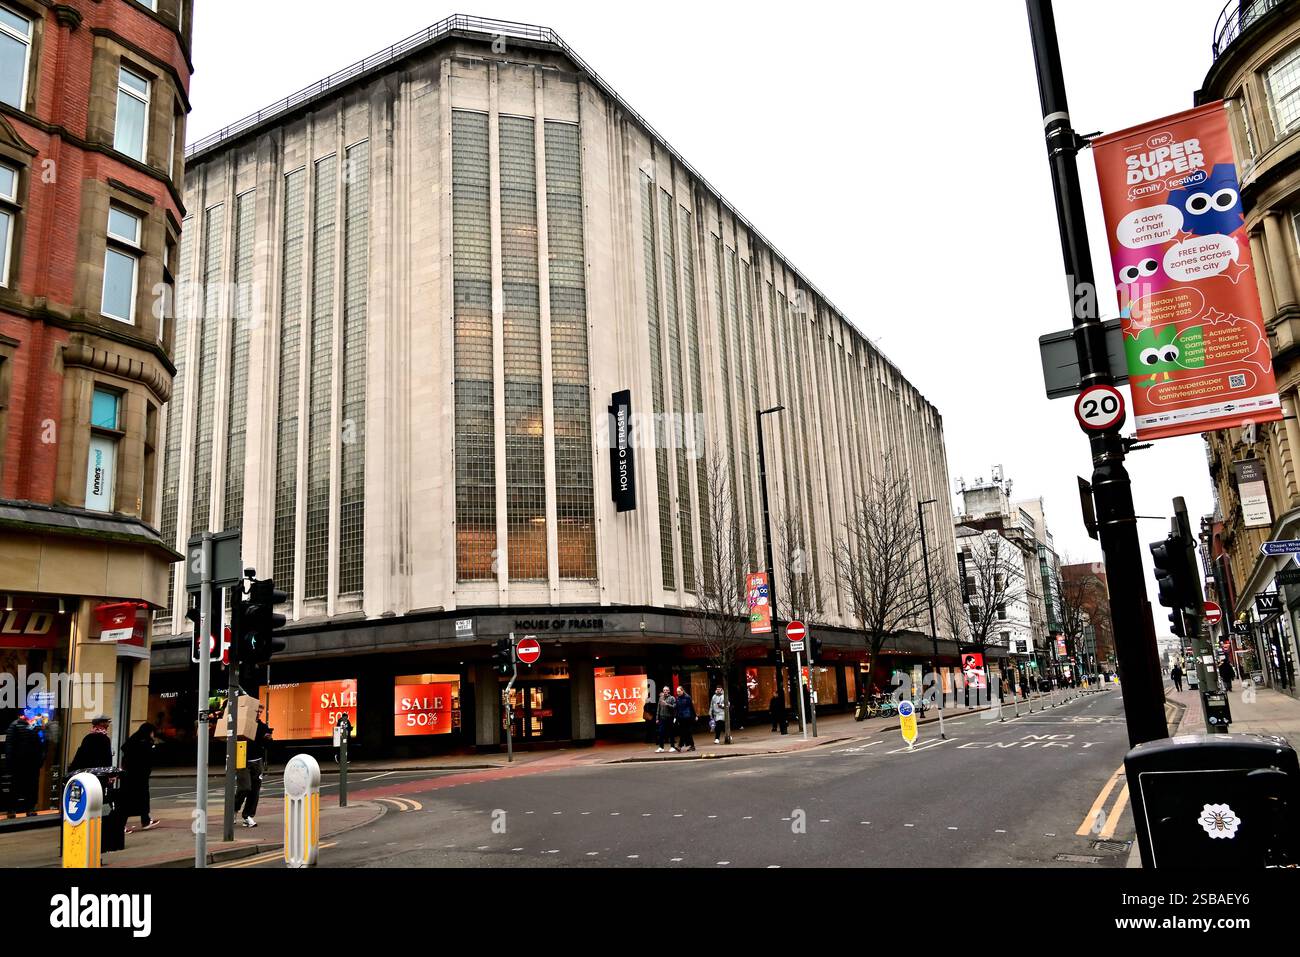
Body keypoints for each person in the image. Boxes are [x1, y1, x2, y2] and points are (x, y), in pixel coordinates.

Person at [235, 705, 272, 828]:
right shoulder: (243, 724)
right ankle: (234, 810)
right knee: (244, 787)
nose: (258, 714)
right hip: (242, 759)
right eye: (257, 711)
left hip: (257, 761)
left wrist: (268, 739)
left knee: (255, 791)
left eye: (260, 712)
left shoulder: (262, 727)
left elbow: (268, 745)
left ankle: (248, 816)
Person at [3, 713, 46, 817]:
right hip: (21, 763)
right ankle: (14, 809)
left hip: (28, 762)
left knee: (26, 786)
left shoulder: (28, 726)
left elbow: (39, 745)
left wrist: (40, 760)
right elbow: (9, 745)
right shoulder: (18, 726)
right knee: (19, 786)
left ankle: (23, 809)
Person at [121, 723, 159, 831]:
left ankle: (145, 820)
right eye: (152, 732)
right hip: (137, 775)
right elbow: (147, 757)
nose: (153, 734)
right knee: (131, 800)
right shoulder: (143, 742)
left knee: (140, 798)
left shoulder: (135, 739)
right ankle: (122, 825)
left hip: (136, 775)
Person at [655, 686, 676, 753]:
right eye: (664, 690)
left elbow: (674, 707)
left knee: (671, 732)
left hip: (669, 718)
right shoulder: (661, 698)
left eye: (666, 690)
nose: (665, 691)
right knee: (661, 732)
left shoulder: (672, 698)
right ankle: (661, 747)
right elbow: (658, 708)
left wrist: (667, 704)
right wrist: (657, 718)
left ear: (669, 691)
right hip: (662, 718)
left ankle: (672, 747)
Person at [675, 685, 696, 752]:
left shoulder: (687, 697)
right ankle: (692, 746)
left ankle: (680, 746)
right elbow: (677, 709)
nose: (678, 693)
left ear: (682, 691)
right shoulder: (677, 698)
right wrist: (676, 717)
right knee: (686, 732)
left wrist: (695, 715)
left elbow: (691, 707)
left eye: (679, 691)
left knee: (685, 732)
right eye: (677, 692)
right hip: (681, 718)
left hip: (687, 717)